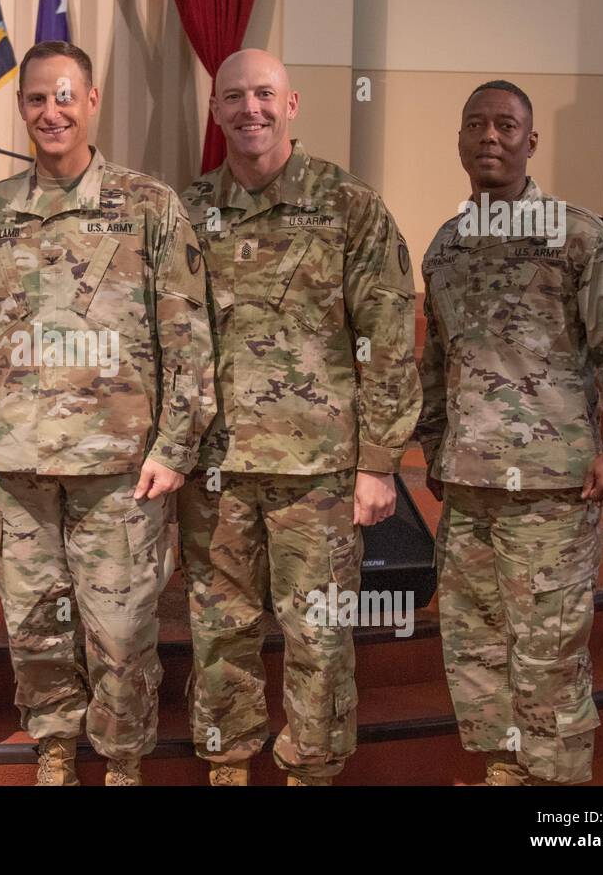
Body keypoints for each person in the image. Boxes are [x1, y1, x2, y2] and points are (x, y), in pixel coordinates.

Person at [0, 41, 215, 786]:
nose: (51, 112)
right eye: (37, 99)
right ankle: (55, 748)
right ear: (22, 107)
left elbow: (188, 337)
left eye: (65, 96)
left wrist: (175, 446)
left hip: (122, 470)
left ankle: (124, 760)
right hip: (23, 467)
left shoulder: (147, 206)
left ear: (93, 102)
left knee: (122, 634)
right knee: (36, 625)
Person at [416, 80, 603, 785]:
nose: (490, 137)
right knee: (476, 650)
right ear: (461, 141)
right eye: (476, 125)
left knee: (548, 653)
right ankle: (507, 772)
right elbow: (437, 358)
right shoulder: (445, 247)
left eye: (506, 125)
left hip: (553, 489)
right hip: (468, 488)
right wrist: (434, 444)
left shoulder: (578, 234)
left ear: (532, 142)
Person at [178, 49, 422, 786]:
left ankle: (311, 770)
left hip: (318, 472)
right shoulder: (187, 212)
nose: (249, 109)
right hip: (216, 469)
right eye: (233, 98)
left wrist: (380, 463)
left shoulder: (349, 206)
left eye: (264, 94)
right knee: (220, 630)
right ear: (215, 111)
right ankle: (227, 762)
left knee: (317, 633)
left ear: (291, 105)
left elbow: (387, 335)